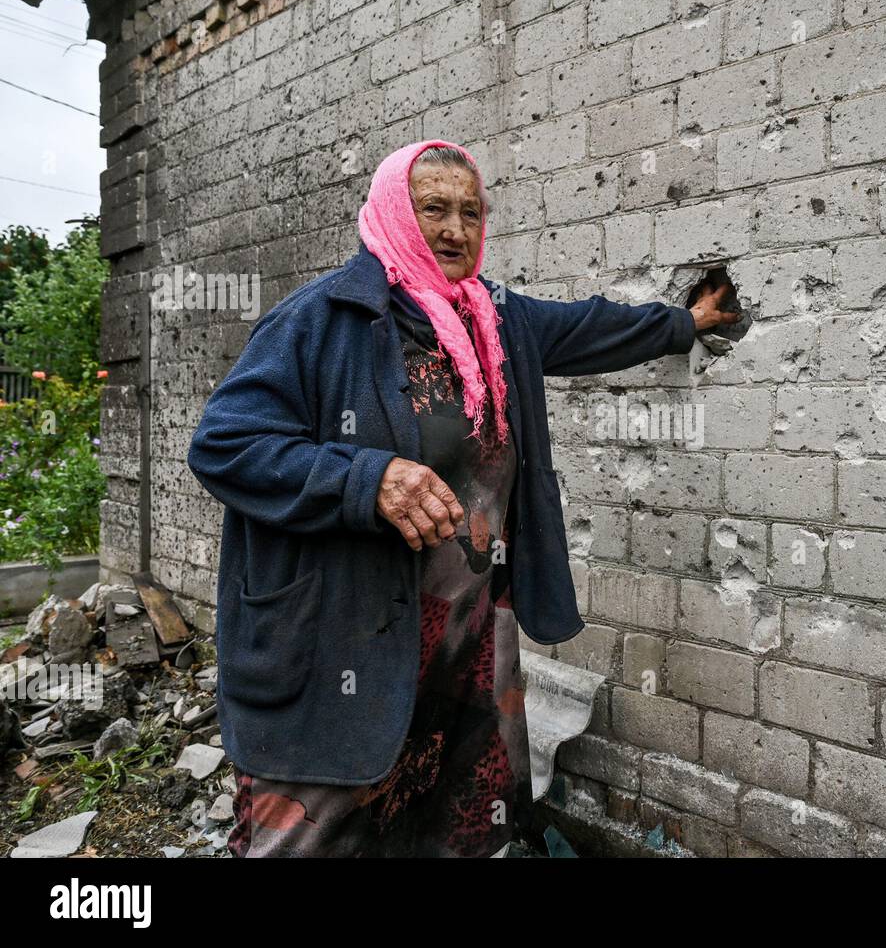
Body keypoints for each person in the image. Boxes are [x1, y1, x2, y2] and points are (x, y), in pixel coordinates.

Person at [186, 138, 738, 856]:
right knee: (316, 836)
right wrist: (366, 480)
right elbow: (223, 444)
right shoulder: (324, 319)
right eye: (433, 209)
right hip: (345, 643)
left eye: (470, 212)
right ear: (392, 213)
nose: (454, 229)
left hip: (464, 646)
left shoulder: (495, 318)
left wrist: (684, 323)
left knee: (450, 828)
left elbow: (588, 327)